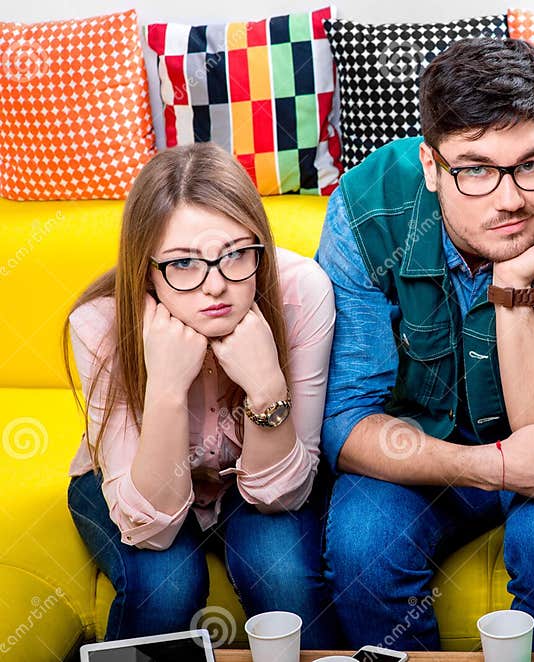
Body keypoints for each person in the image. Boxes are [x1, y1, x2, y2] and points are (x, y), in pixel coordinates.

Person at [316, 38, 534, 651]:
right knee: (361, 543)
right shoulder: (365, 209)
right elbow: (346, 419)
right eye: (475, 169)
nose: (509, 200)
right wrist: (494, 466)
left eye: (531, 165)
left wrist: (516, 286)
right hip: (425, 441)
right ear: (431, 166)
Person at [64, 143, 338, 646]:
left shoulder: (302, 292)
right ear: (146, 268)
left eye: (235, 254)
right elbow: (151, 529)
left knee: (282, 573)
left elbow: (284, 494)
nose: (215, 286)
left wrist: (265, 386)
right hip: (138, 485)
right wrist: (167, 389)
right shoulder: (99, 323)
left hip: (248, 480)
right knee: (167, 585)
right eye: (184, 263)